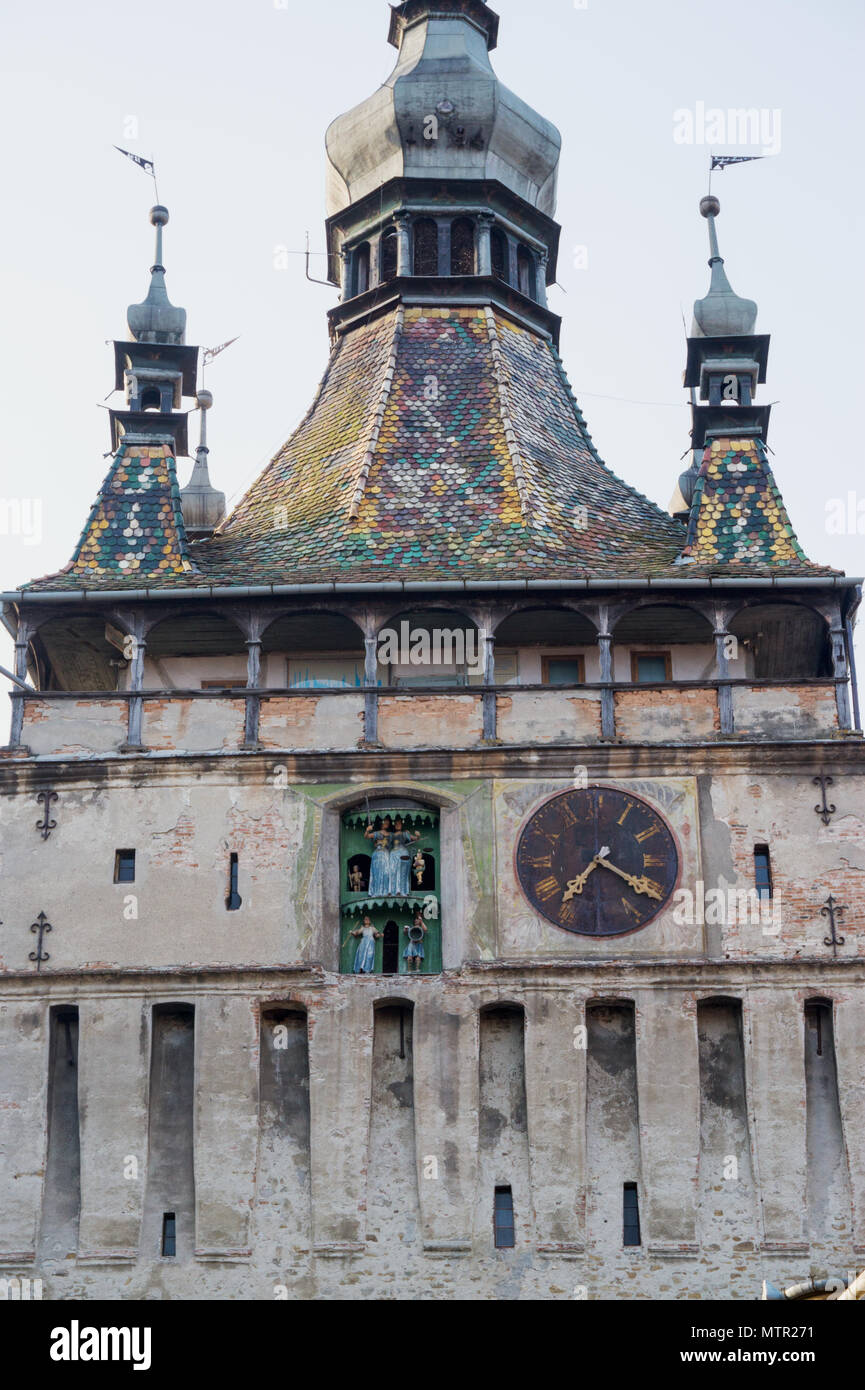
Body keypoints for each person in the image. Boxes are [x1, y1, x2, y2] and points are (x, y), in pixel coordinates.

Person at [389, 816, 421, 896]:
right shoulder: (391, 835)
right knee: (393, 872)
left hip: (403, 853)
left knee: (403, 872)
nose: (398, 825)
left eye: (399, 823)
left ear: (402, 825)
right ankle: (392, 891)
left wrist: (417, 836)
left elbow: (415, 838)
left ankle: (403, 891)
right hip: (393, 854)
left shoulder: (405, 833)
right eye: (396, 823)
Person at [365, 816, 393, 895]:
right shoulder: (377, 833)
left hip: (386, 855)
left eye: (388, 822)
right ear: (381, 823)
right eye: (385, 821)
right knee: (377, 873)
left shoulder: (390, 834)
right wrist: (367, 830)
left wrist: (405, 833)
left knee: (386, 873)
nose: (387, 823)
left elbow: (399, 838)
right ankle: (377, 892)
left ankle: (385, 891)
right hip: (377, 854)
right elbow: (366, 836)